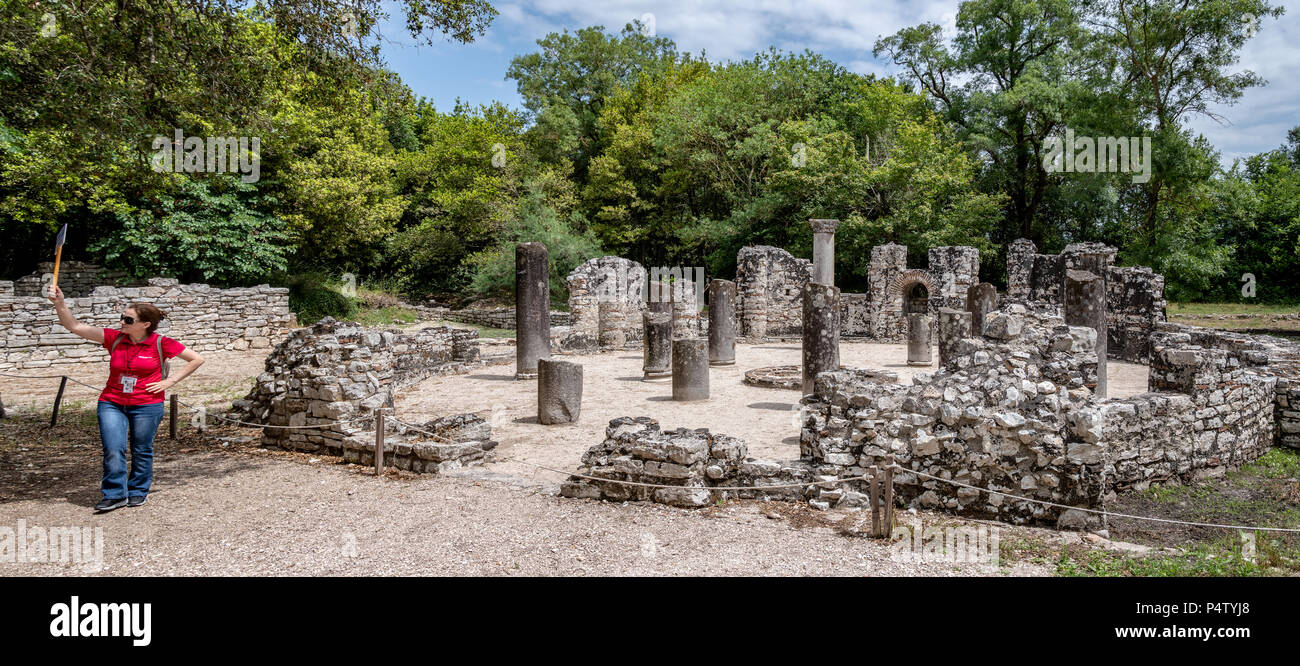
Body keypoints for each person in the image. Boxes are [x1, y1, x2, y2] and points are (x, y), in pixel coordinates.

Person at [48, 285, 205, 512]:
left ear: (145, 324)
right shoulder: (114, 338)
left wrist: (169, 382)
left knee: (141, 449)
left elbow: (197, 359)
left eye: (128, 320)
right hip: (111, 402)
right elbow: (74, 326)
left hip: (147, 404)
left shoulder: (161, 343)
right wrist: (59, 303)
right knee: (113, 447)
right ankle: (114, 494)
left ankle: (138, 491)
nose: (122, 322)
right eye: (122, 318)